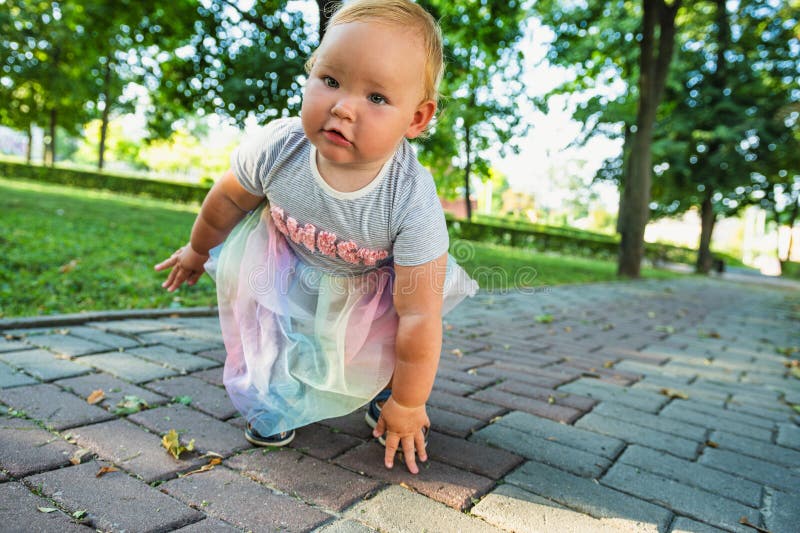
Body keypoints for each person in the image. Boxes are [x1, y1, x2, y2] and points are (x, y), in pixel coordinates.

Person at [155, 0, 476, 475]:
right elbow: (226, 199)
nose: (343, 106)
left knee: (384, 343)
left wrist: (411, 402)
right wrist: (199, 249)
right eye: (330, 80)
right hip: (286, 263)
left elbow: (418, 319)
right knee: (274, 333)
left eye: (377, 98)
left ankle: (387, 396)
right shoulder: (281, 146)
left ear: (416, 119)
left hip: (375, 289)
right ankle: (272, 402)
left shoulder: (410, 196)